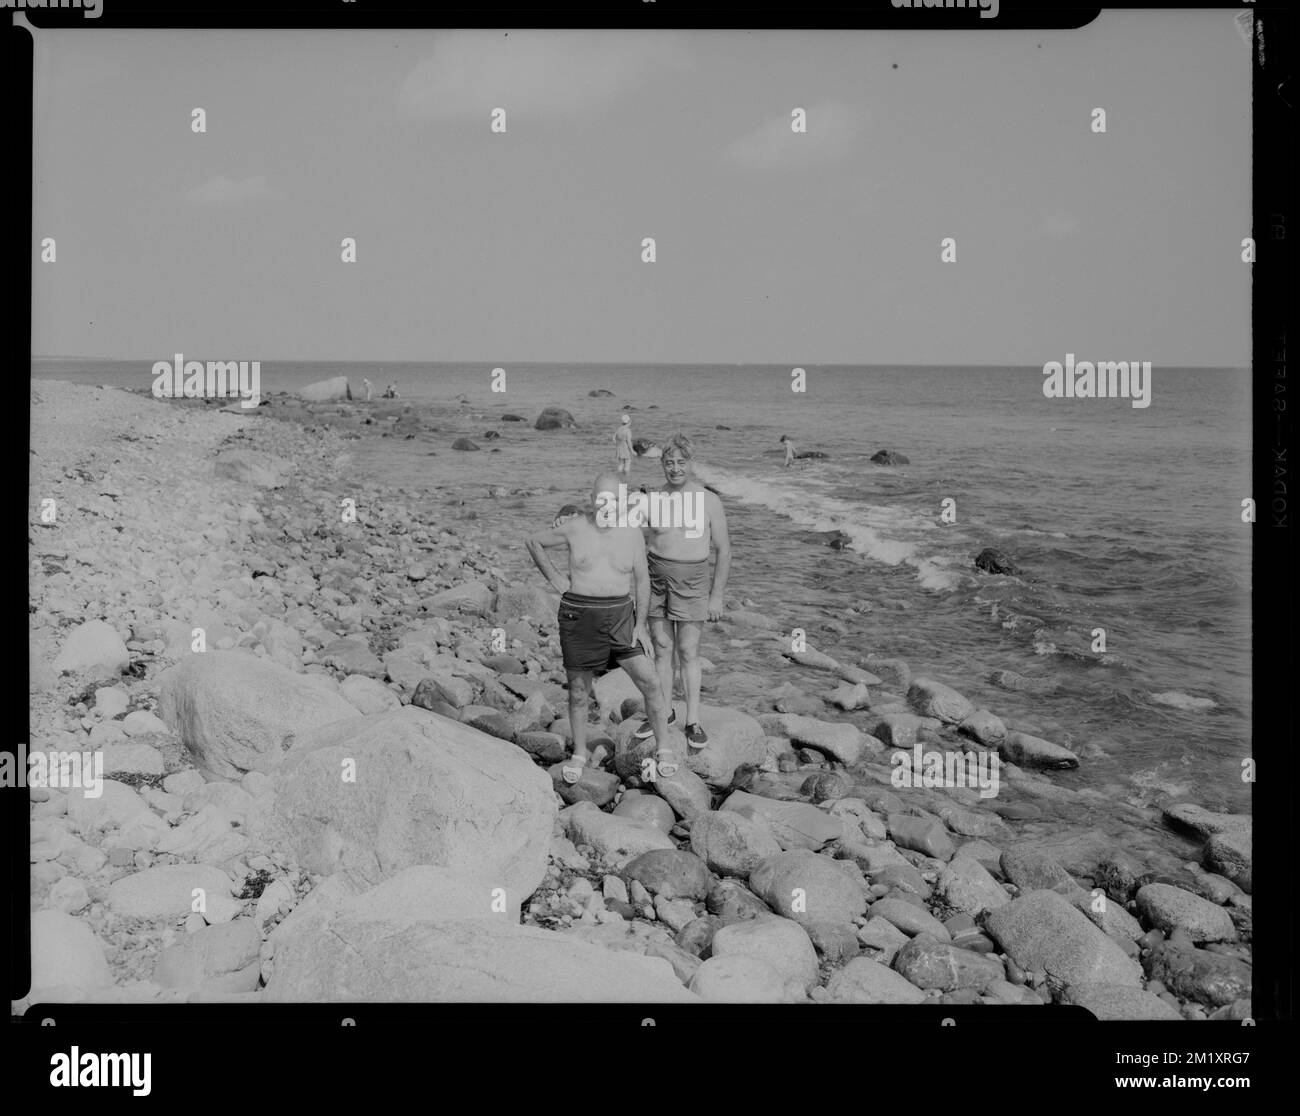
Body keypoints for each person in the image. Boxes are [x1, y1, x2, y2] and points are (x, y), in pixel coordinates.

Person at [526, 473, 678, 783]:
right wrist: (557, 580)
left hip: (621, 617)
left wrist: (641, 626)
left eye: (614, 499)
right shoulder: (576, 526)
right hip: (579, 616)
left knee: (650, 681)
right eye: (601, 498)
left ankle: (664, 747)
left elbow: (642, 580)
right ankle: (580, 752)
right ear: (593, 498)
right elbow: (534, 541)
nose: (607, 504)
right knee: (579, 691)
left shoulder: (633, 533)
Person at [634, 433, 731, 747]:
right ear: (662, 465)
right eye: (669, 462)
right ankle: (663, 713)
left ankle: (693, 720)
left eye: (680, 462)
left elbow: (724, 550)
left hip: (693, 580)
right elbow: (629, 539)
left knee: (689, 651)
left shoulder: (708, 500)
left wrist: (716, 596)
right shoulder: (652, 499)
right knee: (662, 649)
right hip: (656, 578)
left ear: (691, 463)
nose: (674, 468)